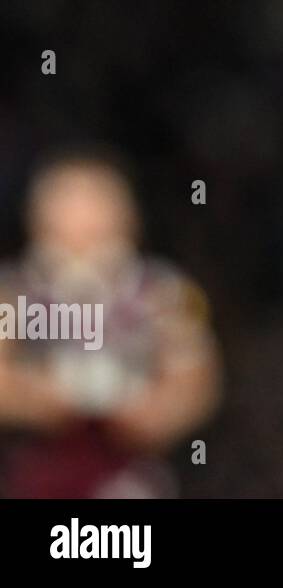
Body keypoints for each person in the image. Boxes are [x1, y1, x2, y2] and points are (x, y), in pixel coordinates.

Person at [0, 150, 221, 497]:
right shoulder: (13, 293)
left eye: (94, 201)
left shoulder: (164, 292)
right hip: (32, 470)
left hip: (128, 475)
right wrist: (40, 399)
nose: (81, 219)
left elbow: (196, 383)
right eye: (68, 201)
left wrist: (152, 414)